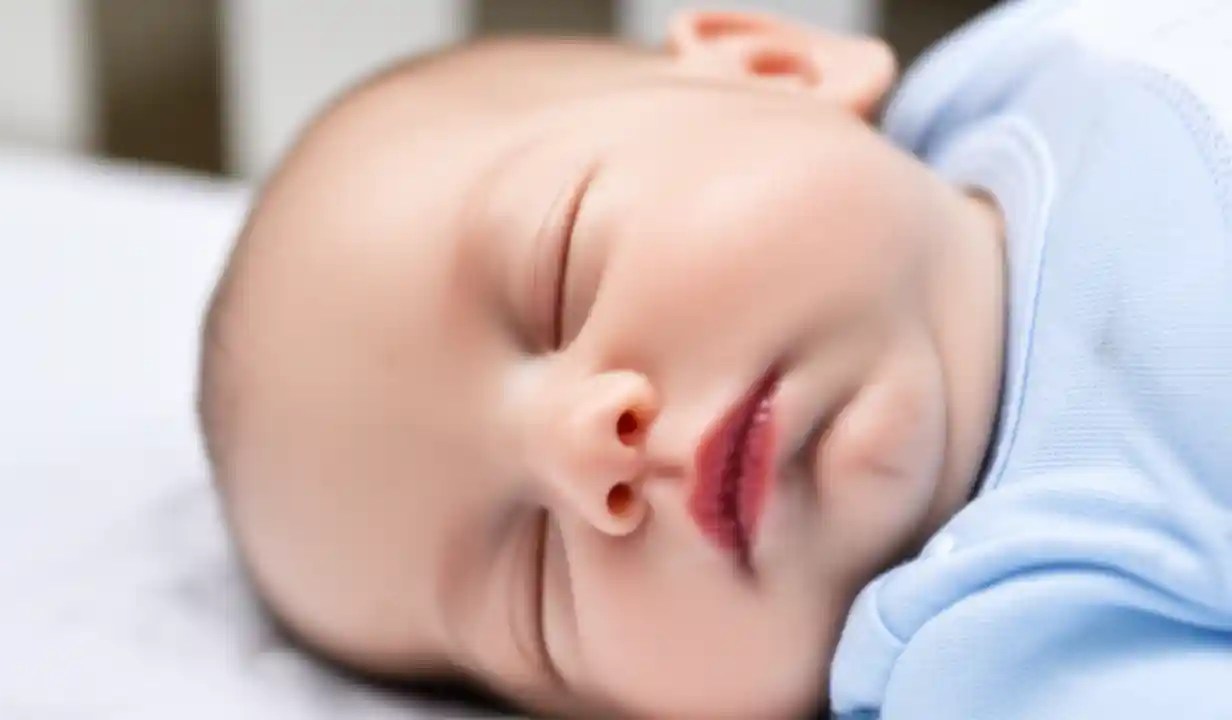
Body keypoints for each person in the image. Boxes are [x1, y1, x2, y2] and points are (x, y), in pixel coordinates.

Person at [198, 1, 1232, 717]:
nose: (581, 452)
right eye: (532, 585)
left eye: (559, 277)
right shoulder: (1003, 651)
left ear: (775, 68)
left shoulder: (1034, 64)